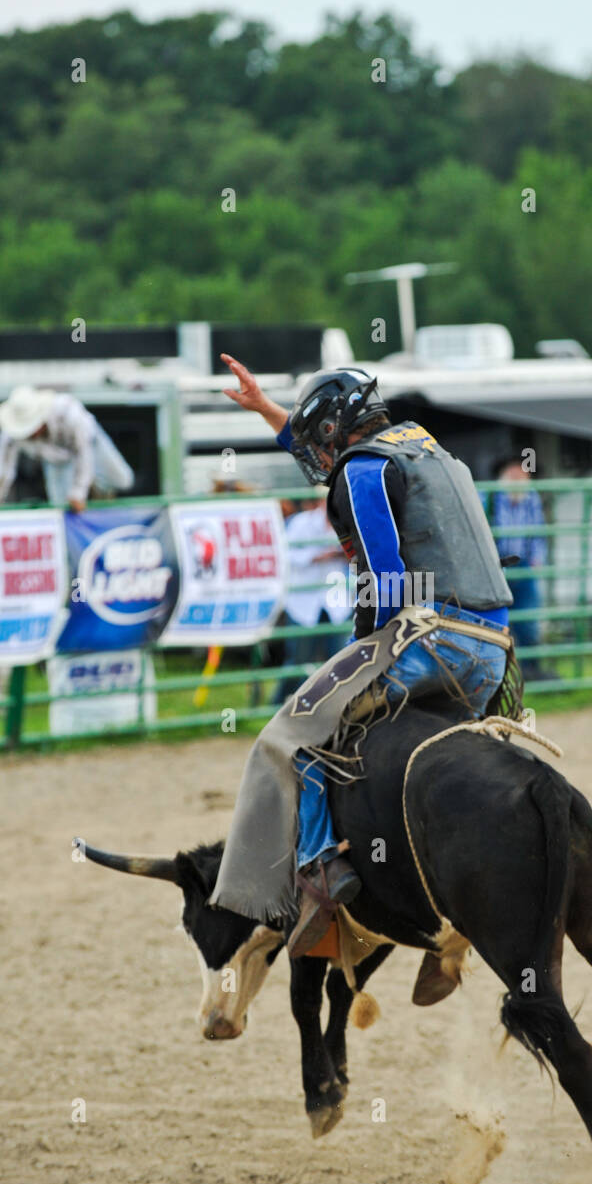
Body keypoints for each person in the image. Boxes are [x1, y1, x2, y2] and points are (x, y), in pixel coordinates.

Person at [209, 355, 517, 967]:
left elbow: (385, 575)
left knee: (292, 735)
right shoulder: (427, 451)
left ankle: (321, 864)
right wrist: (271, 410)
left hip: (434, 641)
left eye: (316, 443)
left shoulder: (362, 469)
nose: (318, 465)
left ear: (331, 433)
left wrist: (363, 652)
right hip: (495, 653)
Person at [0, 387, 135, 511]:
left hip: (91, 445)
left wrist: (79, 491)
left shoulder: (69, 412)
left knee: (123, 480)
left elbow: (84, 452)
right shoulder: (11, 430)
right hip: (56, 462)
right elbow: (1, 469)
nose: (29, 434)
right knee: (62, 508)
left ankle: (99, 486)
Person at [274, 497, 351, 704]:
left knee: (340, 657)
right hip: (304, 600)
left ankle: (334, 704)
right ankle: (281, 703)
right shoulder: (301, 523)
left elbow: (358, 553)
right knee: (299, 658)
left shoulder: (346, 523)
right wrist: (316, 556)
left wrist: (344, 555)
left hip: (336, 600)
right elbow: (284, 555)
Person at [492, 458, 552, 680]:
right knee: (496, 620)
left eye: (523, 473)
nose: (519, 476)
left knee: (528, 622)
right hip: (496, 567)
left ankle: (531, 669)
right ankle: (498, 671)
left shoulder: (531, 498)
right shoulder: (488, 496)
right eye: (514, 472)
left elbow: (538, 532)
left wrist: (537, 560)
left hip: (523, 565)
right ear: (505, 474)